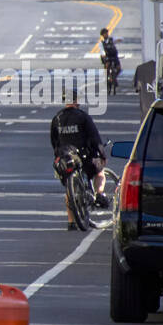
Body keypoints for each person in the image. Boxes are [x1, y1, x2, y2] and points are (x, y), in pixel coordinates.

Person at [51, 90, 109, 227]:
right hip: (83, 158)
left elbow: (54, 142)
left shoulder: (57, 118)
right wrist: (102, 155)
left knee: (68, 188)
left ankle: (71, 222)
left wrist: (58, 156)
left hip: (64, 159)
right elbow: (95, 138)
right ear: (77, 100)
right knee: (100, 172)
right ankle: (100, 193)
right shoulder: (83, 117)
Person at [99, 27, 121, 94]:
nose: (106, 34)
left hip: (114, 56)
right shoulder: (101, 43)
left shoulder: (112, 39)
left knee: (118, 68)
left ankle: (114, 78)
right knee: (107, 67)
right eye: (105, 33)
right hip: (107, 57)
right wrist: (104, 55)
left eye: (107, 33)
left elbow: (120, 39)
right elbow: (102, 51)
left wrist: (119, 40)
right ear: (102, 35)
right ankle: (107, 80)